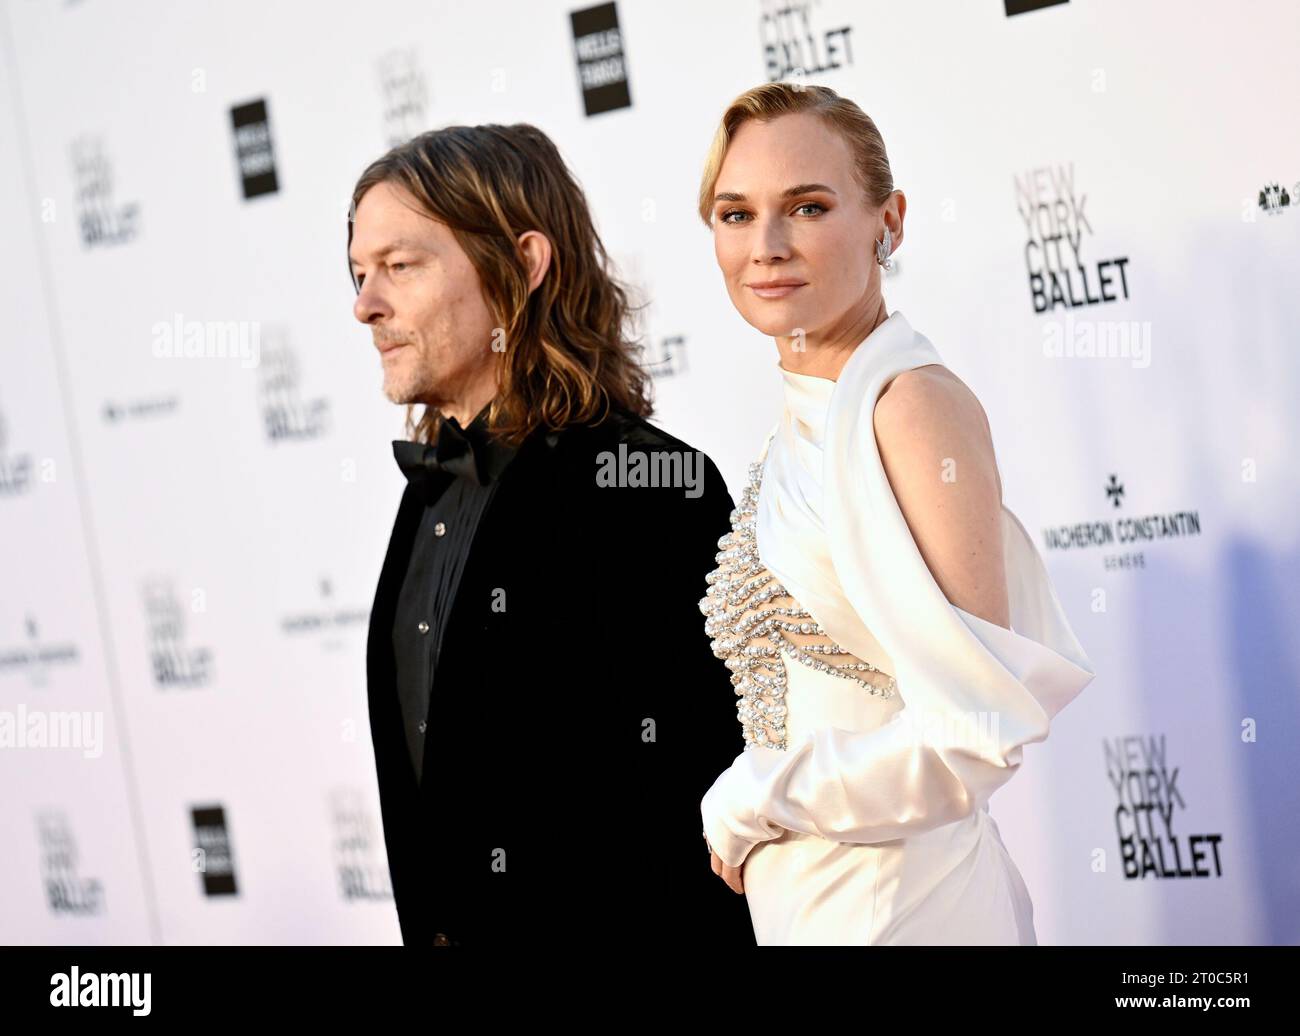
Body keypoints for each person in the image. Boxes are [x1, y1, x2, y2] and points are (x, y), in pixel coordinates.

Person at [694, 83, 1096, 945]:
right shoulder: (806, 418)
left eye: (807, 206)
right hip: (811, 907)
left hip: (909, 906)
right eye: (735, 214)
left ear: (890, 221)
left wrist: (752, 793)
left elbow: (974, 729)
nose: (765, 246)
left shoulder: (909, 407)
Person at [348, 122, 753, 946]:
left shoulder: (648, 485)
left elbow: (698, 816)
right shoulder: (425, 494)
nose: (366, 305)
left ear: (523, 266)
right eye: (359, 273)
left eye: (400, 266)